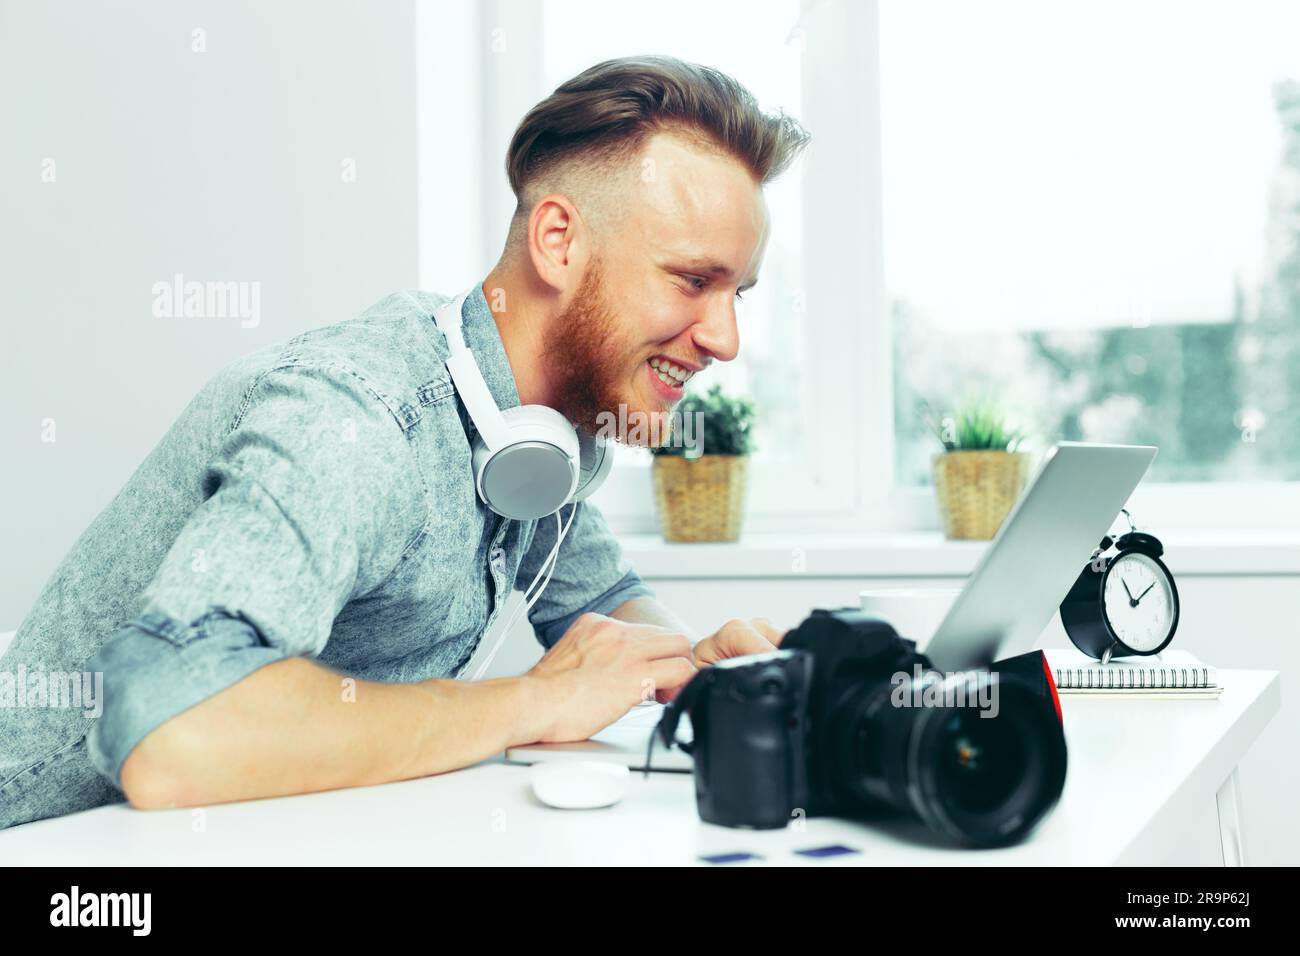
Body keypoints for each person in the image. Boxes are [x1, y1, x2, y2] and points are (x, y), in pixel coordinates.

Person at [0, 55, 809, 827]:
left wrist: (703, 673)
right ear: (559, 241)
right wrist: (534, 701)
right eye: (693, 280)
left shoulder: (545, 431)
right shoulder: (357, 418)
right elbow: (166, 734)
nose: (727, 339)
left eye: (737, 291)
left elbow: (601, 612)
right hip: (47, 837)